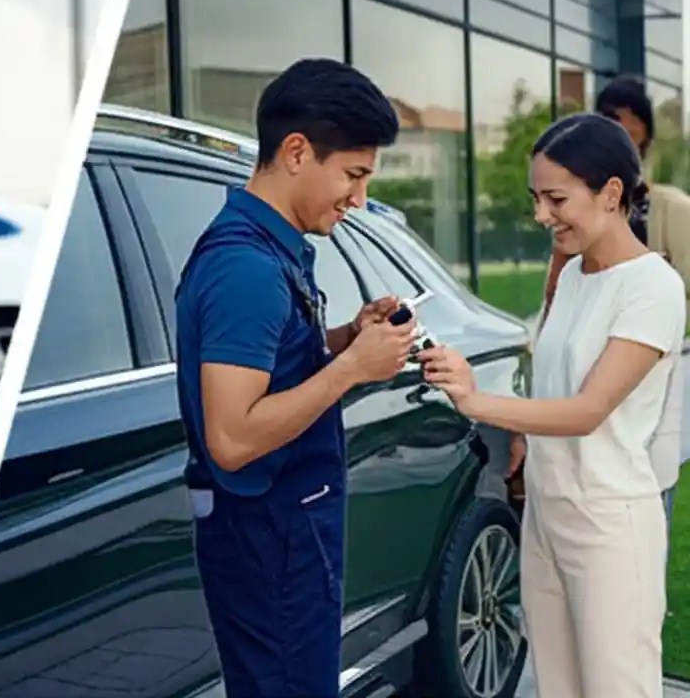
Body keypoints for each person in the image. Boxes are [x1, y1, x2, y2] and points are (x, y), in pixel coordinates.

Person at [420, 112, 685, 698]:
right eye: (537, 198)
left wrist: (476, 400)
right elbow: (552, 384)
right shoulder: (566, 276)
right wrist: (520, 433)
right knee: (555, 689)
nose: (542, 215)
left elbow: (589, 410)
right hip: (545, 513)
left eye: (556, 198)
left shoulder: (653, 288)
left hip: (609, 524)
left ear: (611, 193)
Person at [174, 57, 416, 698]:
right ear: (297, 151)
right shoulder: (246, 269)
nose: (360, 199)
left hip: (283, 534)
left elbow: (269, 367)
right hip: (269, 540)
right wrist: (350, 369)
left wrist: (344, 340)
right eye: (354, 175)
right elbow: (232, 436)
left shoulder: (272, 250)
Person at [526, 75, 690, 527]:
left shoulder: (669, 216)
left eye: (629, 129)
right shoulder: (572, 245)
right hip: (567, 478)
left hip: (645, 378)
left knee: (642, 486)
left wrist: (641, 331)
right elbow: (553, 312)